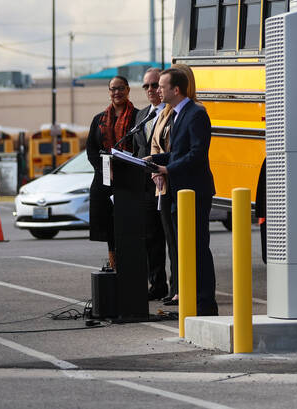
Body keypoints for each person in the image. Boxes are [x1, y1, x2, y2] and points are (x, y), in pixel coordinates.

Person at [150, 66, 217, 316]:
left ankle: (206, 304)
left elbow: (197, 154)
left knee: (198, 247)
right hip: (180, 192)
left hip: (195, 192)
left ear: (176, 90)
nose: (158, 90)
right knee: (184, 249)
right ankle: (192, 301)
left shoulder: (196, 113)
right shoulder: (177, 113)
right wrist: (155, 159)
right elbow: (179, 152)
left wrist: (167, 169)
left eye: (162, 87)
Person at [86, 75, 138, 269]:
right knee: (109, 228)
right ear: (109, 92)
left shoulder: (138, 117)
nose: (117, 92)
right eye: (113, 89)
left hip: (129, 181)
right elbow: (91, 150)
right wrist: (104, 169)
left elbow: (140, 148)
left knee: (129, 227)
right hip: (105, 180)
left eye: (121, 88)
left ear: (128, 90)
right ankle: (114, 264)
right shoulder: (98, 119)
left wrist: (125, 170)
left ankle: (131, 268)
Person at [133, 68, 169, 301]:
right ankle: (157, 285)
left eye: (155, 85)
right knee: (151, 238)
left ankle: (177, 287)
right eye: (146, 86)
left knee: (171, 236)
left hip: (166, 181)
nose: (150, 90)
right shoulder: (142, 115)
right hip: (146, 186)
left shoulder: (171, 112)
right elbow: (138, 150)